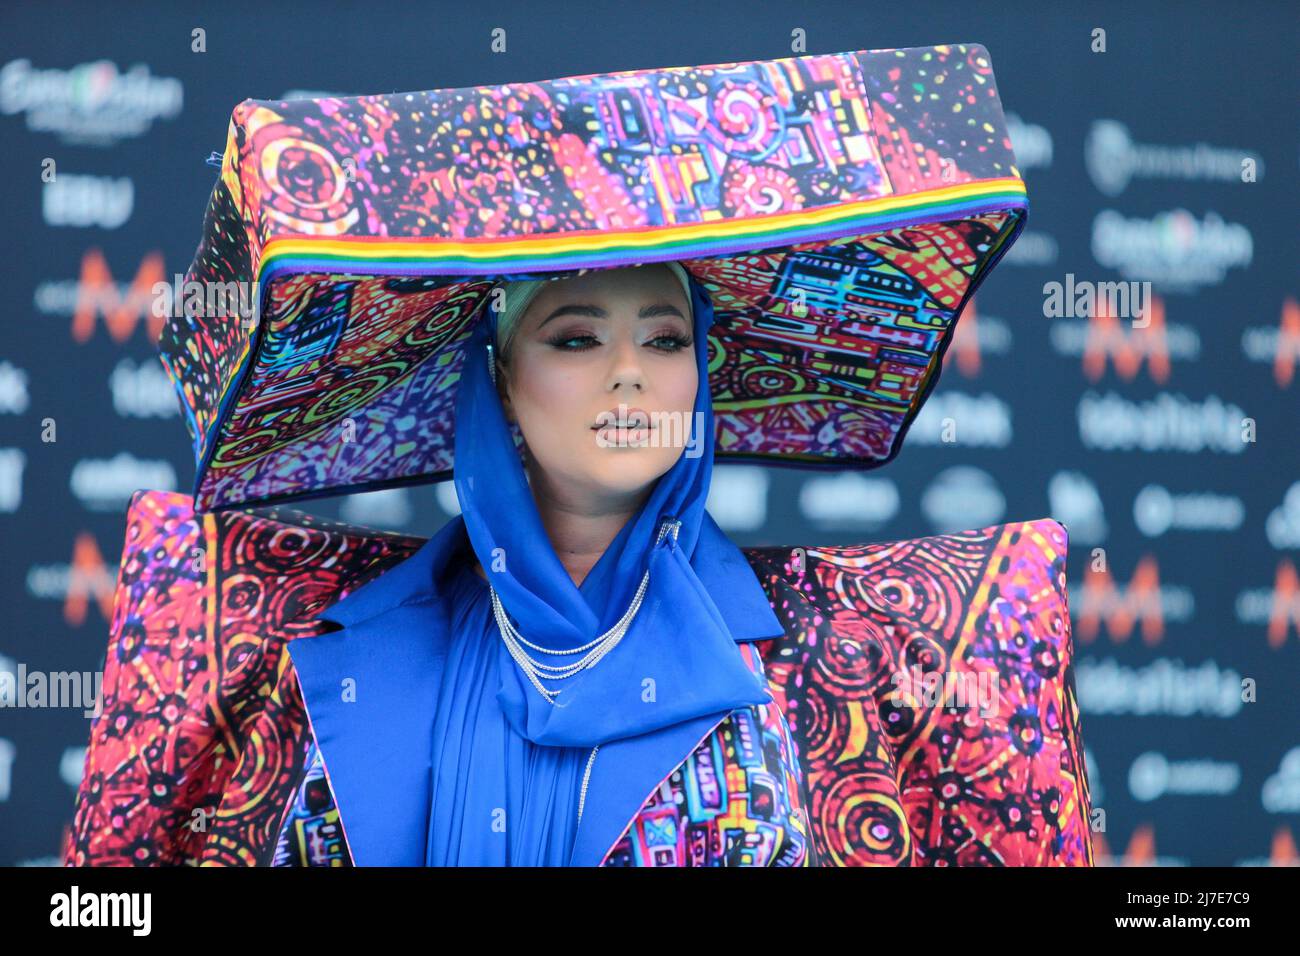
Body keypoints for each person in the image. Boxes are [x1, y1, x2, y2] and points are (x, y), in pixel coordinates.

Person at [281, 260, 813, 866]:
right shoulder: (364, 649)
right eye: (577, 339)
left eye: (665, 339)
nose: (629, 374)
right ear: (503, 382)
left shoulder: (809, 644)